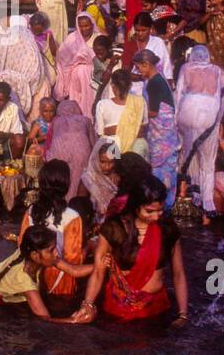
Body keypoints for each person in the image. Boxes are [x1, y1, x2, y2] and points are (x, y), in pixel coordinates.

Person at [83, 177, 188, 324]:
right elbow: (98, 272)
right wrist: (87, 304)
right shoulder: (114, 229)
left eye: (160, 210)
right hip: (117, 309)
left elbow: (178, 273)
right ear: (136, 206)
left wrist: (182, 314)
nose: (156, 217)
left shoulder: (168, 229)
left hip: (155, 309)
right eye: (149, 211)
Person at [0, 224, 95, 322]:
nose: (56, 253)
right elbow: (45, 318)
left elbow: (73, 270)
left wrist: (100, 265)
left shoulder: (29, 251)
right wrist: (74, 321)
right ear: (35, 256)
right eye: (51, 250)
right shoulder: (25, 281)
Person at [175, 44, 224, 220]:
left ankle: (195, 194)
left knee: (189, 156)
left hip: (188, 115)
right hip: (209, 118)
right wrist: (218, 117)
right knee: (208, 161)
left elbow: (178, 95)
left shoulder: (186, 67)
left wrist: (175, 121)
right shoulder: (217, 70)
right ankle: (208, 202)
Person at [17, 159, 84, 298]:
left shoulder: (31, 210)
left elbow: (22, 244)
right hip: (60, 280)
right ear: (66, 185)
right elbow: (73, 259)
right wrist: (88, 248)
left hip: (33, 275)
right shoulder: (72, 216)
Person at [131, 49, 179, 206]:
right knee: (167, 166)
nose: (139, 71)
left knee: (161, 167)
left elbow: (154, 111)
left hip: (162, 133)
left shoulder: (154, 82)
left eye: (139, 68)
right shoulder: (156, 79)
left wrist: (136, 115)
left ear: (146, 64)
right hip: (165, 130)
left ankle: (161, 202)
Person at [54, 12, 100, 117]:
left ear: (92, 25)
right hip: (75, 77)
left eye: (86, 26)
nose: (84, 29)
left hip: (93, 77)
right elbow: (62, 57)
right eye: (81, 26)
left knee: (90, 100)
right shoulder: (72, 38)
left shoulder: (98, 38)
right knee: (76, 100)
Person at [94, 67, 147, 157]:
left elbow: (100, 133)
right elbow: (142, 129)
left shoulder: (102, 105)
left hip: (113, 151)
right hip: (136, 151)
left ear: (112, 85)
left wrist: (113, 130)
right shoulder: (140, 102)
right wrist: (130, 129)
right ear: (130, 85)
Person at [76, 139, 120, 221]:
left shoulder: (117, 177)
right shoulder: (88, 179)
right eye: (103, 162)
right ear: (95, 159)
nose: (107, 166)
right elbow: (80, 207)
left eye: (111, 162)